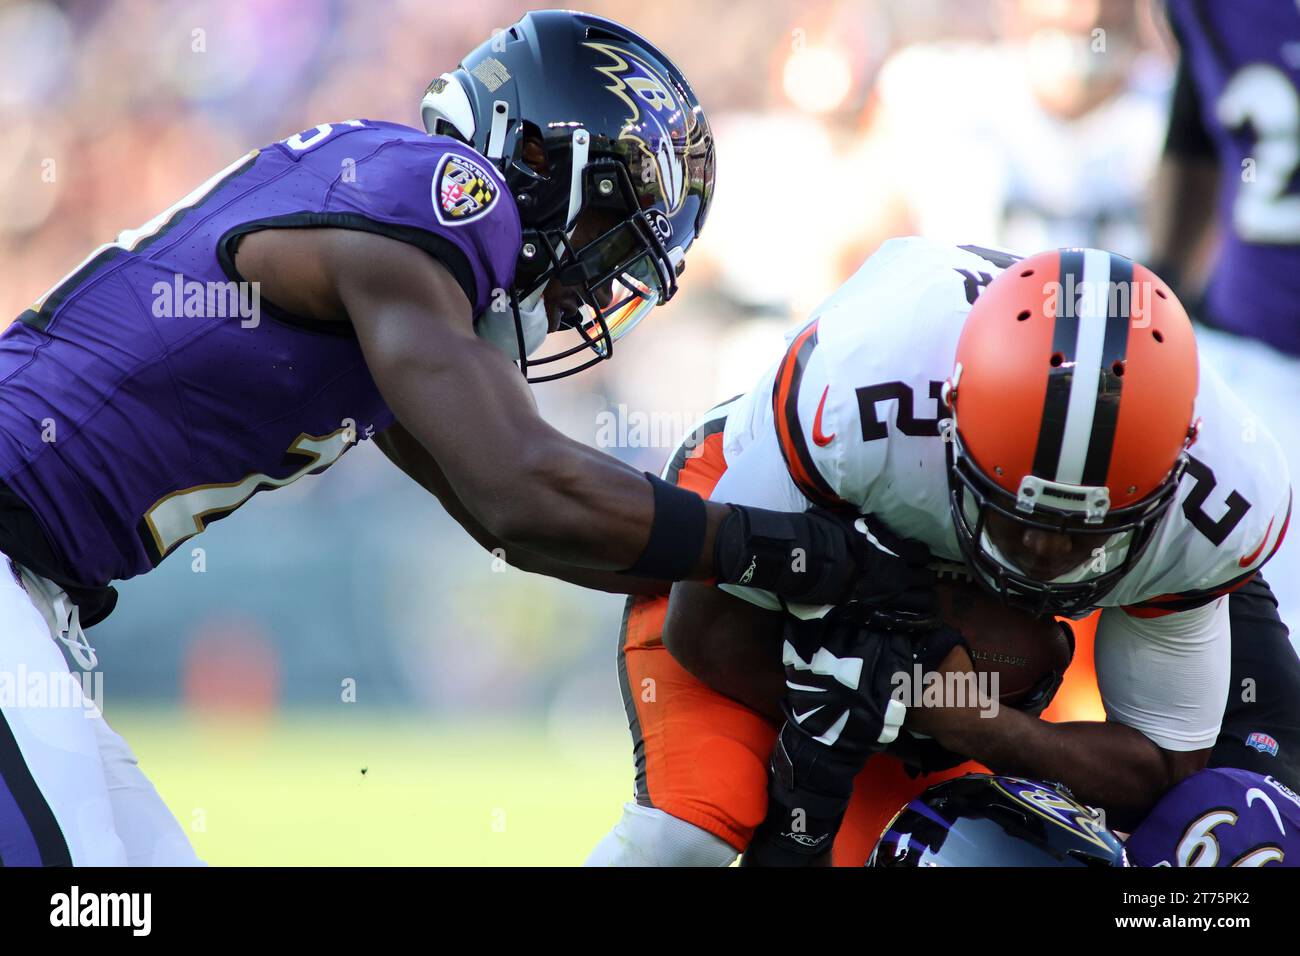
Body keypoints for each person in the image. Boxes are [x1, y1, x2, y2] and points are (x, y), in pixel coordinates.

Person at [0, 11, 885, 867]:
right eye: (603, 238)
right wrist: (783, 548)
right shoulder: (445, 195)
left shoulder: (397, 272)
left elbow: (522, 527)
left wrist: (762, 575)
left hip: (36, 581)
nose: (592, 288)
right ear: (537, 157)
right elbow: (524, 486)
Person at [587, 236, 1292, 866]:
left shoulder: (1216, 506)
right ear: (950, 419)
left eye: (1083, 532)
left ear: (1173, 476)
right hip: (772, 571)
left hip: (940, 664)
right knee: (686, 834)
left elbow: (1161, 769)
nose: (1044, 552)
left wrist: (968, 722)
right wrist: (872, 706)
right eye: (1018, 515)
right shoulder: (861, 401)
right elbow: (705, 633)